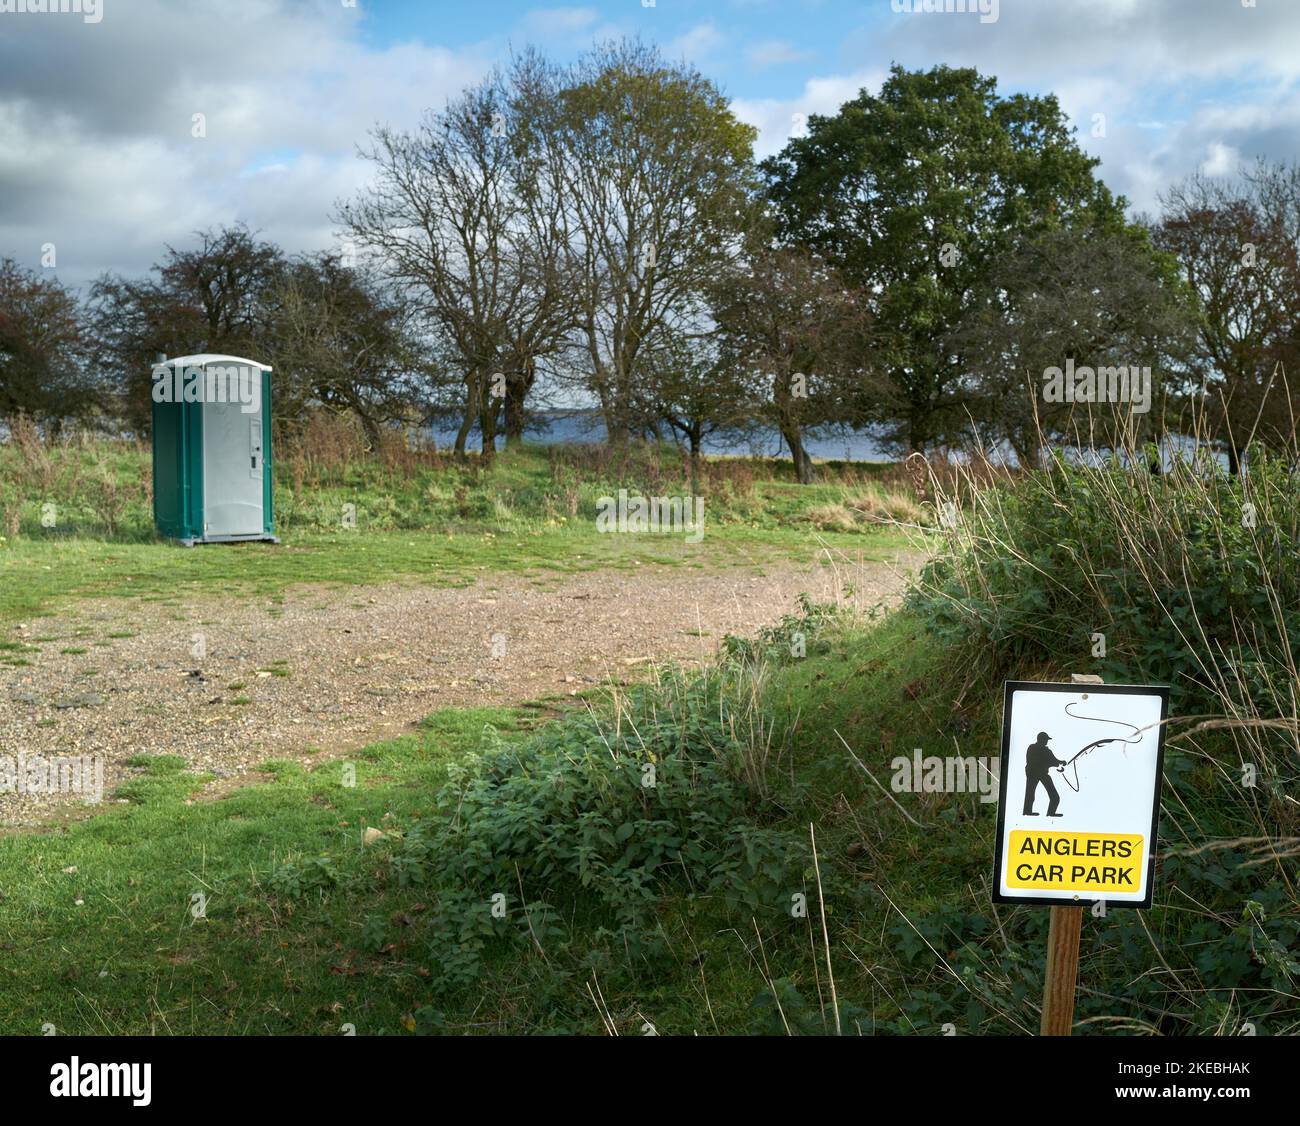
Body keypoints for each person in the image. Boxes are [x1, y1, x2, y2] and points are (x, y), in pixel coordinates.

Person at [1023, 731, 1065, 817]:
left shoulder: (1045, 750)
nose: (1047, 741)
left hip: (1040, 774)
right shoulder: (1033, 748)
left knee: (1054, 796)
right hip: (1034, 774)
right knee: (1030, 795)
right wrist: (1057, 763)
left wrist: (1060, 762)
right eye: (1046, 739)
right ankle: (1028, 812)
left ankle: (1050, 813)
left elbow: (1054, 761)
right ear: (1041, 739)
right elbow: (1049, 761)